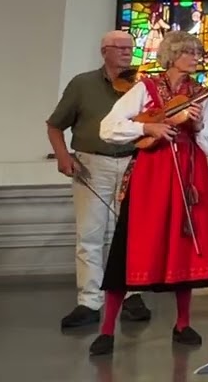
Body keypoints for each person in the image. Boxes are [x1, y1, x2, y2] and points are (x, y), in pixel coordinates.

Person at [91, 31, 208, 356]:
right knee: (128, 246)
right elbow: (109, 126)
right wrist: (149, 128)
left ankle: (183, 323)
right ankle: (106, 330)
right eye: (188, 51)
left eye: (197, 52)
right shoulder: (145, 88)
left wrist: (197, 127)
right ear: (171, 55)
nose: (195, 57)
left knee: (184, 245)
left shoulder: (203, 95)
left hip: (187, 175)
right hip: (152, 174)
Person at [46, 31, 152, 330]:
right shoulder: (82, 84)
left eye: (130, 48)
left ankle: (133, 294)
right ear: (104, 51)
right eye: (120, 48)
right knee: (90, 234)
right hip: (92, 163)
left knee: (130, 232)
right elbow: (55, 125)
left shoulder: (142, 86)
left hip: (133, 161)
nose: (127, 53)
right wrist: (63, 156)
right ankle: (90, 301)